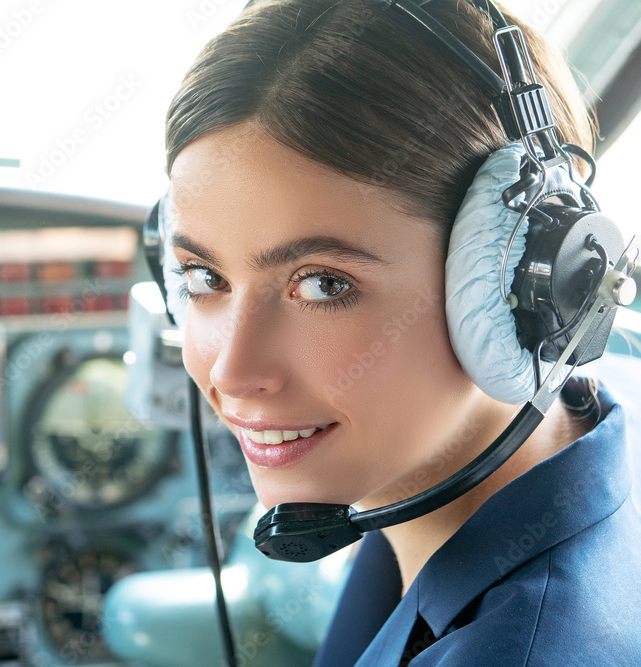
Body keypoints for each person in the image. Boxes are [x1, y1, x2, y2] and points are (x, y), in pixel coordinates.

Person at [158, 0, 641, 664]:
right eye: (202, 276)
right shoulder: (611, 401)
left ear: (528, 284)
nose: (231, 372)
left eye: (323, 284)